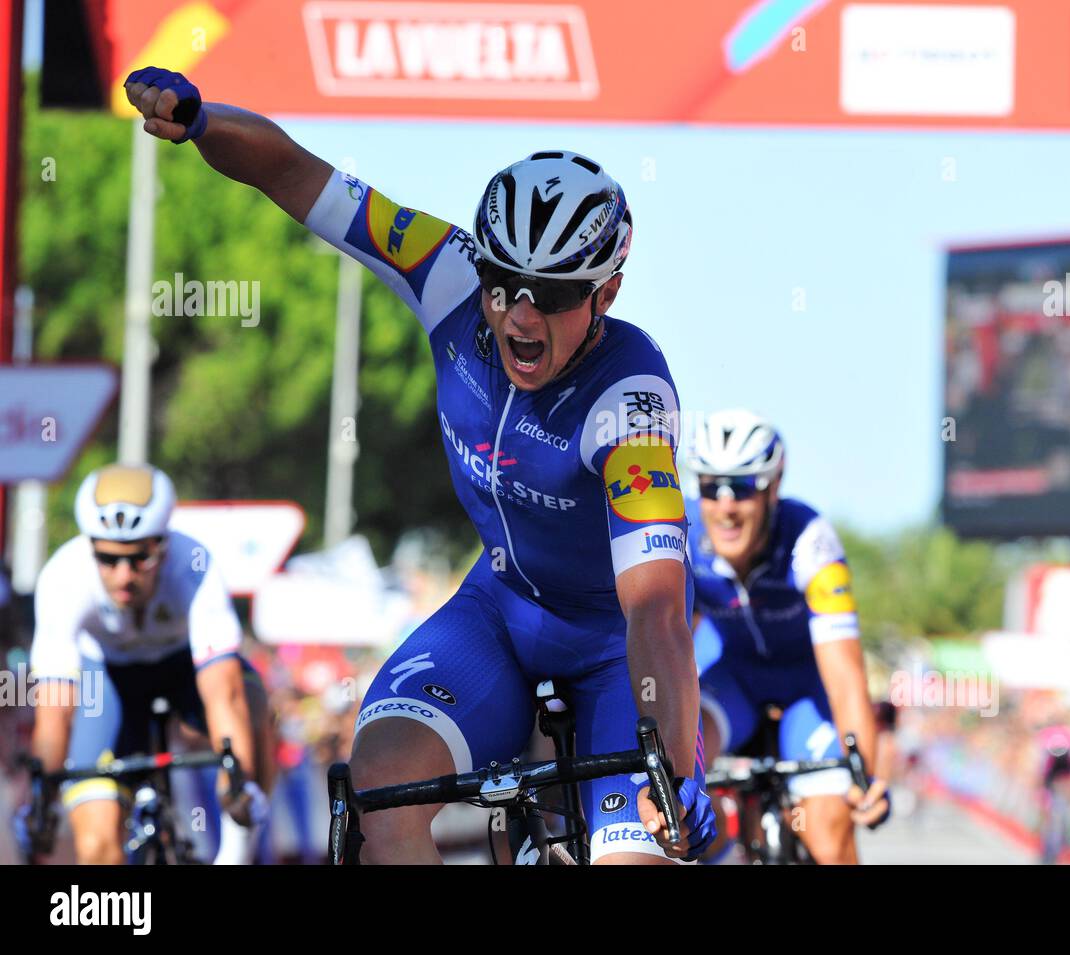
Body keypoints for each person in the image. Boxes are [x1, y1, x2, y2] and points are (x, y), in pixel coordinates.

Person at [121, 66, 714, 863]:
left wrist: (671, 765)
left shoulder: (629, 399)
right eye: (506, 285)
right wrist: (199, 121)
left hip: (612, 648)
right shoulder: (449, 273)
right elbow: (300, 175)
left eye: (551, 292)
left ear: (604, 294)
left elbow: (655, 612)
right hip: (498, 612)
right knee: (380, 785)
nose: (519, 314)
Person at [18, 464, 273, 864]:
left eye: (140, 558)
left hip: (184, 667)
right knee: (97, 848)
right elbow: (56, 710)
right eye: (108, 558)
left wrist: (233, 784)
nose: (124, 575)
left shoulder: (194, 565)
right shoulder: (63, 578)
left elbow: (225, 695)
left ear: (164, 546)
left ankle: (241, 849)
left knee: (254, 703)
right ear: (91, 548)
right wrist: (42, 800)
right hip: (106, 677)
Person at [684, 410, 889, 864]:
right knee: (681, 775)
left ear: (773, 487)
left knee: (826, 833)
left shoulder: (809, 540)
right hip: (733, 682)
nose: (725, 505)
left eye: (742, 486)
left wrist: (864, 776)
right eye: (709, 486)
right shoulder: (682, 537)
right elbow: (666, 647)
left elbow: (845, 677)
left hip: (806, 691)